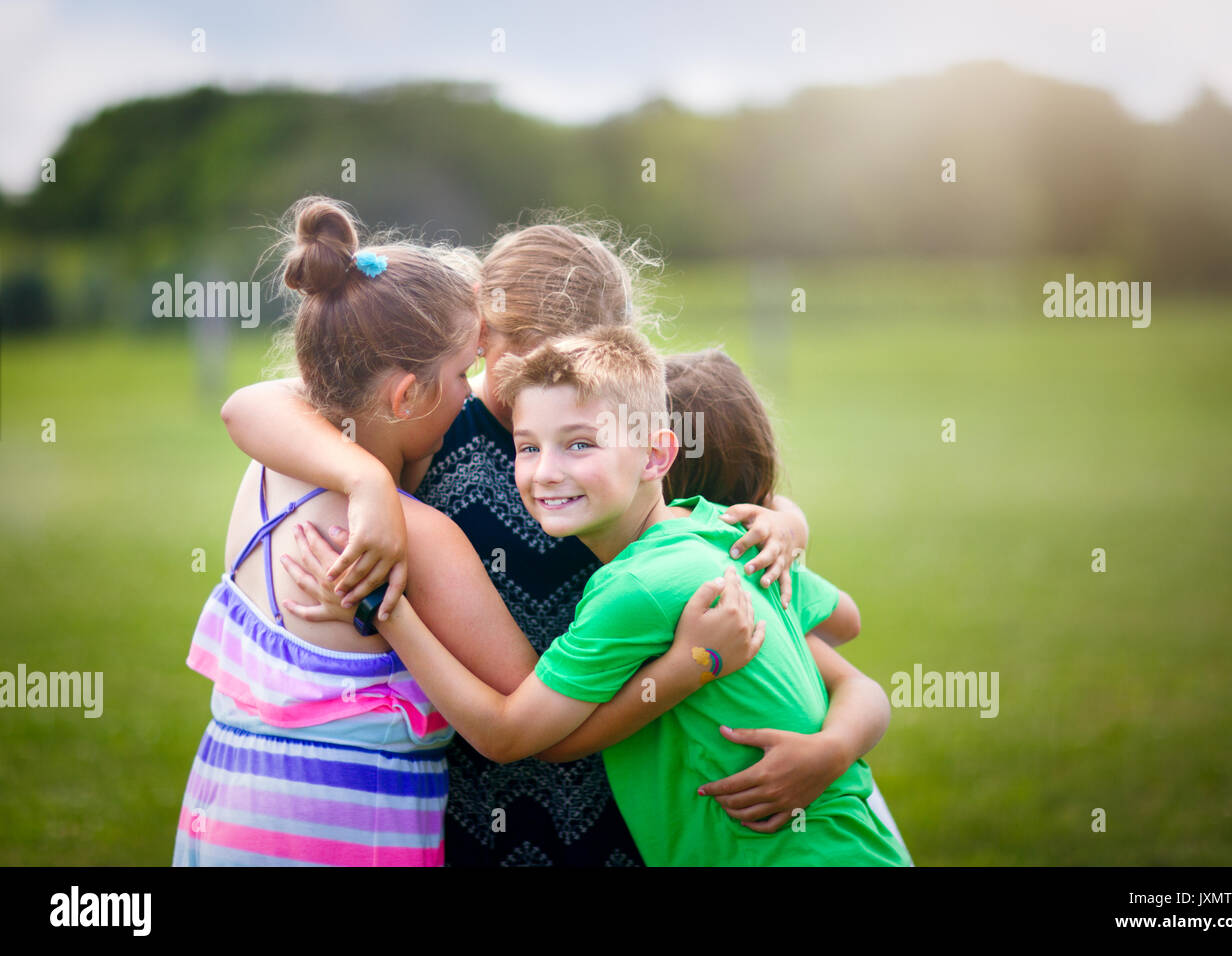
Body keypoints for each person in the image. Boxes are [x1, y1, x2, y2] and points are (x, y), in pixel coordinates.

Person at [221, 214, 872, 865]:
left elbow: (734, 536)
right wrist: (364, 480)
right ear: (480, 330)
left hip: (621, 795)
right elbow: (259, 403)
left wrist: (785, 519)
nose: (543, 392)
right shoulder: (433, 419)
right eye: (524, 363)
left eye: (571, 371)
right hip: (482, 796)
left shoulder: (625, 436)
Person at [665, 349, 911, 853]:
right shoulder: (753, 561)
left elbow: (850, 642)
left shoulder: (730, 583)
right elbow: (845, 623)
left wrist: (828, 752)